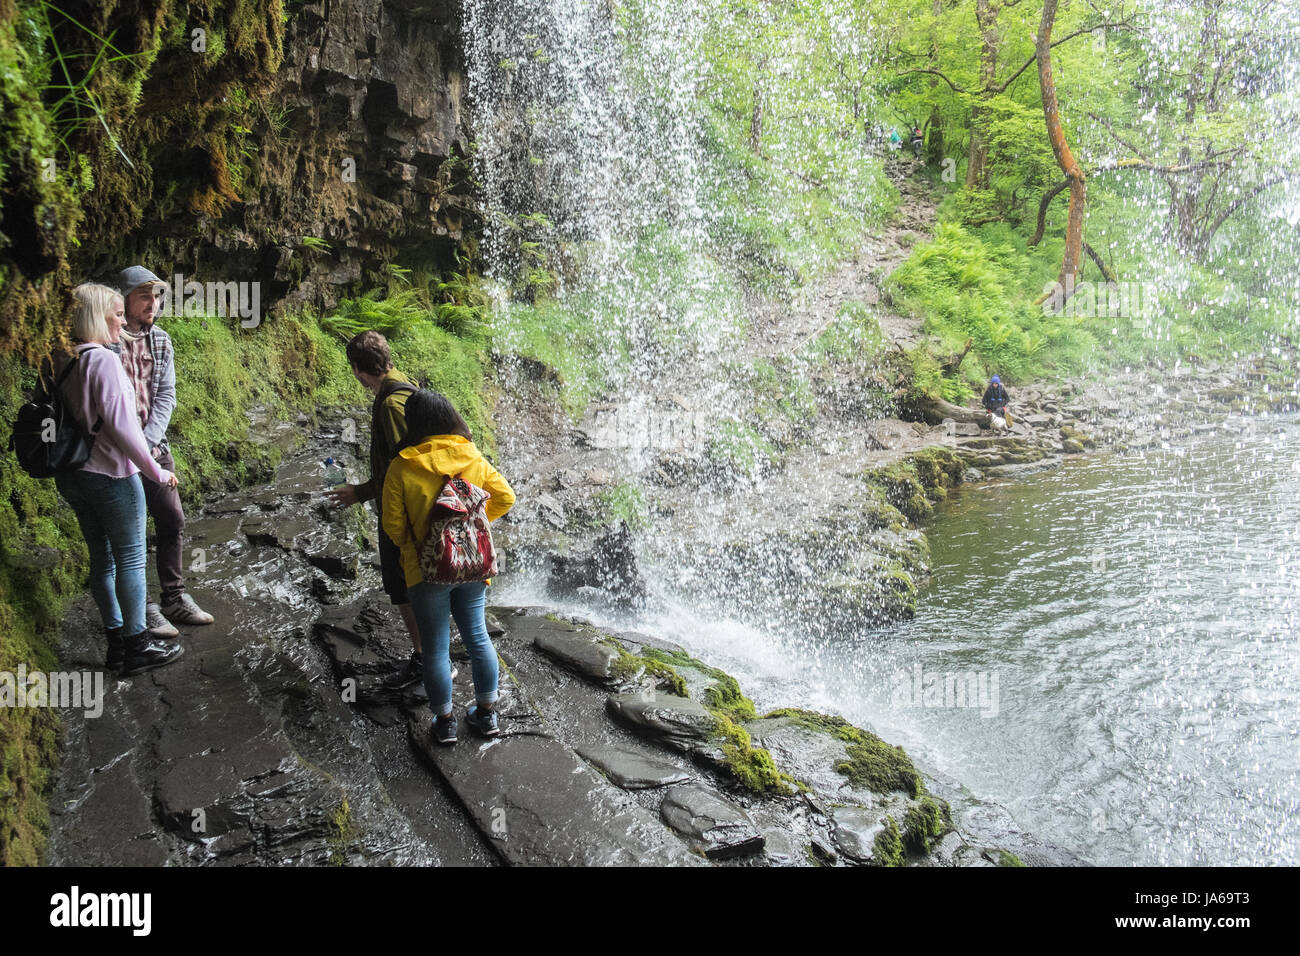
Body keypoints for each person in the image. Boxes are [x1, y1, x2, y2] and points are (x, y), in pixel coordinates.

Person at [55, 284, 185, 675]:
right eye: (115, 314)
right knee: (130, 558)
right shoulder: (103, 361)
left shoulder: (60, 357)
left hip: (73, 475)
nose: (122, 321)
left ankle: (116, 644)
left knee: (102, 558)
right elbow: (124, 429)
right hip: (111, 474)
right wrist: (156, 471)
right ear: (96, 316)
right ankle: (138, 645)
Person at [382, 390, 515, 745]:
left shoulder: (402, 465)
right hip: (472, 563)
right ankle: (487, 715)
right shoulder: (472, 456)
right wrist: (471, 528)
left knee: (436, 647)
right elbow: (506, 496)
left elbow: (392, 524)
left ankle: (445, 723)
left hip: (424, 571)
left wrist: (420, 544)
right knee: (477, 636)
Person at [112, 266, 214, 632]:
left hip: (154, 448)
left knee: (172, 519)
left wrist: (148, 443)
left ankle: (174, 597)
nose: (152, 304)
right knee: (130, 532)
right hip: (115, 455)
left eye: (156, 296)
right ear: (123, 299)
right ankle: (143, 607)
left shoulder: (161, 340)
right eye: (144, 297)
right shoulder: (107, 340)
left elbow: (166, 396)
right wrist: (131, 448)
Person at [324, 331, 426, 683]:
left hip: (401, 513)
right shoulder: (404, 386)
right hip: (406, 509)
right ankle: (429, 656)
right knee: (410, 584)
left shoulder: (391, 404)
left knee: (403, 586)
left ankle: (426, 659)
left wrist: (362, 492)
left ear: (357, 368)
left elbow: (405, 466)